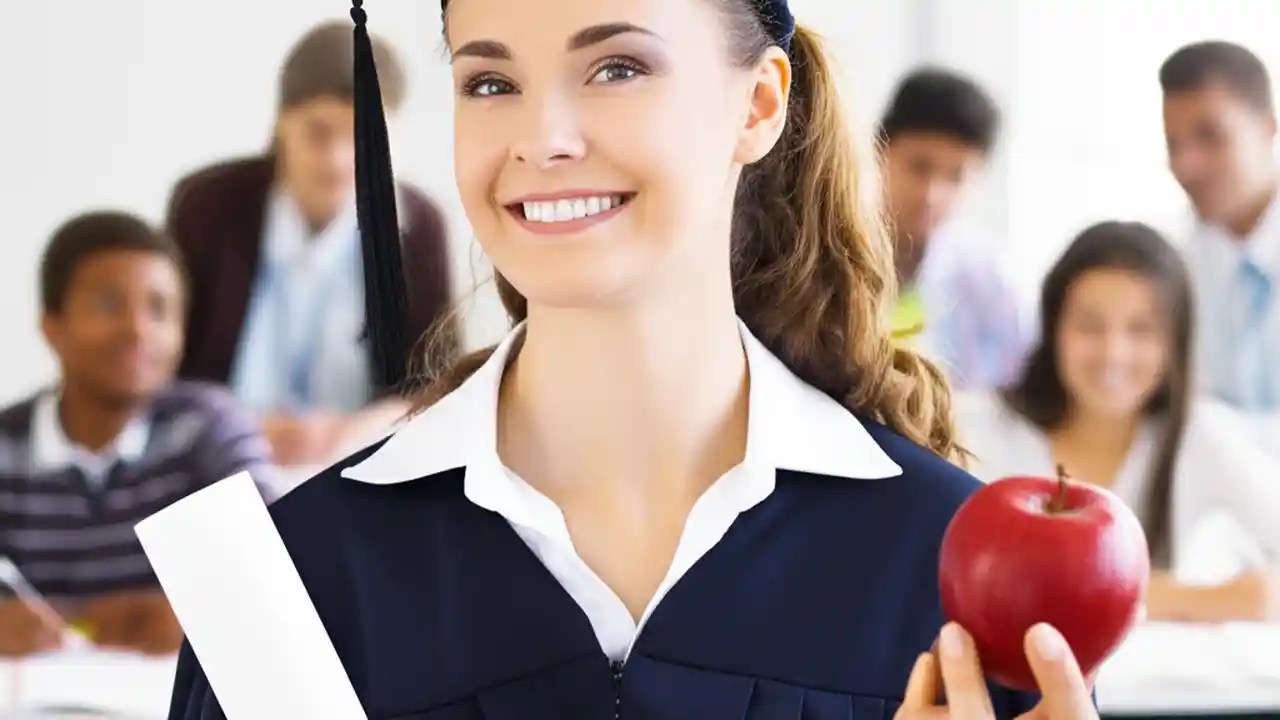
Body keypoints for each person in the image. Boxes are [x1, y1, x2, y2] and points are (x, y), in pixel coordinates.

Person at [156, 1, 1099, 716]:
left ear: (759, 105)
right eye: (491, 83)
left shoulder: (944, 573)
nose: (542, 139)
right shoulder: (304, 582)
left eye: (615, 67)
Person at [165, 20, 459, 469]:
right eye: (318, 133)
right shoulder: (207, 207)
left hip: (356, 462)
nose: (340, 159)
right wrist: (240, 427)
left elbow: (438, 384)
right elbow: (162, 366)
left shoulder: (419, 225)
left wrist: (349, 434)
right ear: (281, 122)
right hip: (215, 460)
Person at [957, 221, 1280, 623]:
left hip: (1140, 683)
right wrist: (1165, 595)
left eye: (1141, 330)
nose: (1114, 353)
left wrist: (1249, 595)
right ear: (1053, 327)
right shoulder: (979, 427)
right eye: (1089, 326)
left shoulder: (1196, 436)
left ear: (1174, 342)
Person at [0, 212, 272, 658]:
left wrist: (202, 612)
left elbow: (284, 564)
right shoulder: (6, 447)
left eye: (160, 309)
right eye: (108, 305)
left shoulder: (207, 428)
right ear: (52, 326)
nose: (137, 330)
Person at [1160, 41, 1280, 450]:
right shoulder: (1171, 263)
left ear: (1267, 128)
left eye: (1210, 136)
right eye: (1173, 144)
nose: (1186, 166)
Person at [879, 68, 1030, 390]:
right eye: (919, 167)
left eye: (956, 177)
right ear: (880, 151)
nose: (932, 194)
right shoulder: (821, 255)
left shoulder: (991, 282)